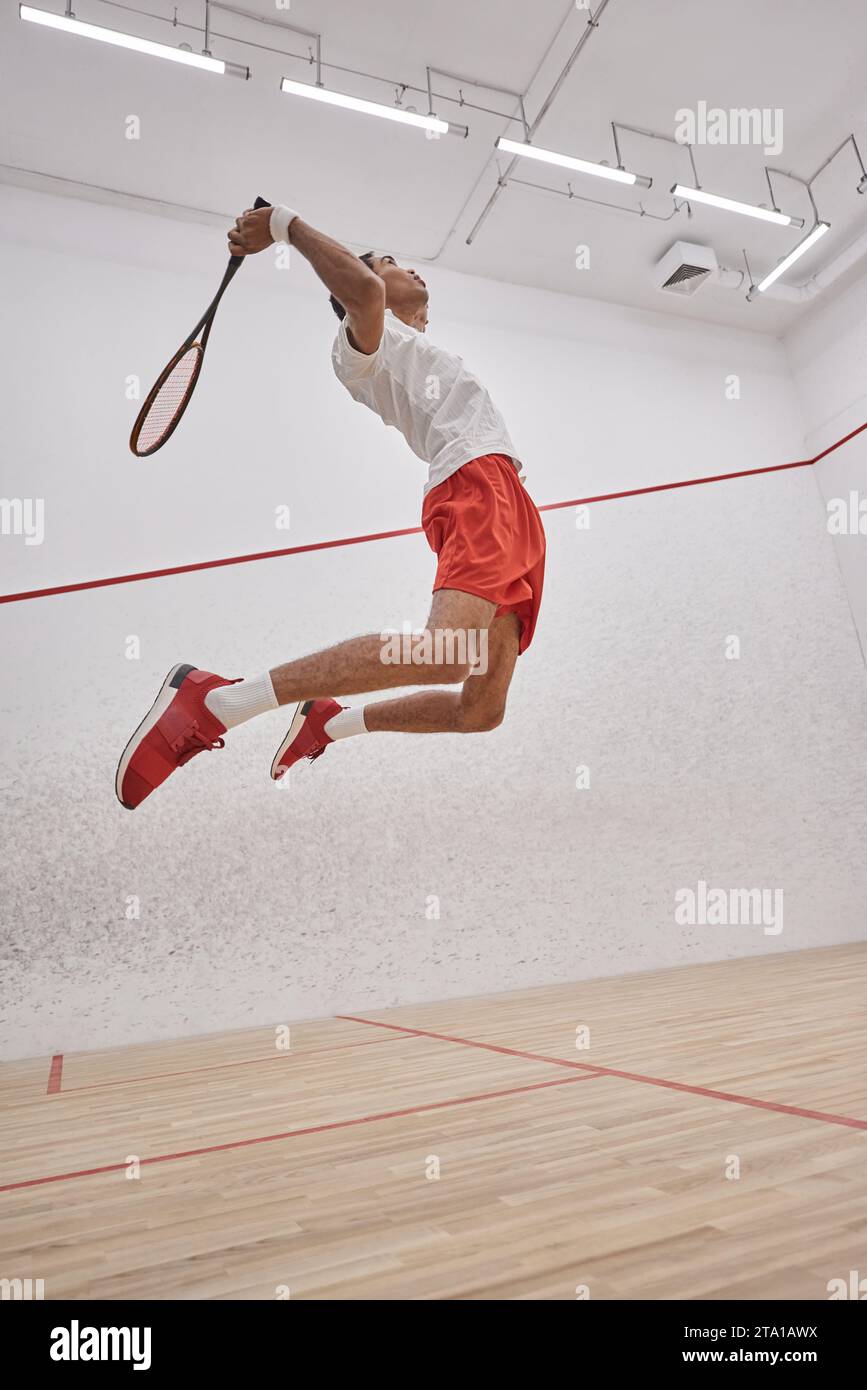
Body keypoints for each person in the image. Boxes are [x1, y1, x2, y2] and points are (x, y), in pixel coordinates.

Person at [115, 204, 546, 810]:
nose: (413, 271)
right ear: (354, 289)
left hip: (513, 504)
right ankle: (218, 701)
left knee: (481, 709)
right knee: (445, 652)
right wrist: (282, 226)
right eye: (392, 262)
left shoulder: (411, 346)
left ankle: (329, 722)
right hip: (476, 487)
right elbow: (364, 290)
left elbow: (371, 286)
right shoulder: (359, 345)